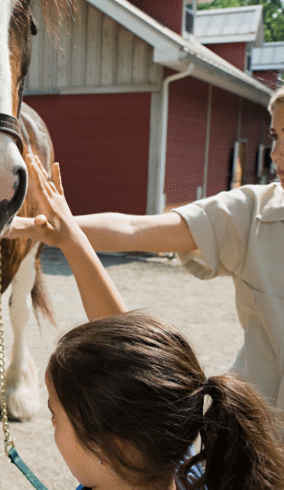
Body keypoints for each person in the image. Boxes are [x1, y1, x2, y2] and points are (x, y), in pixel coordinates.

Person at [8, 154, 284, 490]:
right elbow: (130, 360)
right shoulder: (172, 462)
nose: (275, 151)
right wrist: (70, 239)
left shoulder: (176, 454)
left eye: (56, 418)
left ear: (110, 449)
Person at [60, 85, 284, 409]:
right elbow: (133, 229)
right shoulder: (252, 211)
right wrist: (36, 225)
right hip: (250, 434)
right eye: (276, 135)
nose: (276, 152)